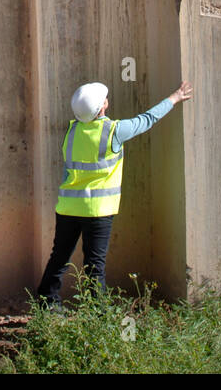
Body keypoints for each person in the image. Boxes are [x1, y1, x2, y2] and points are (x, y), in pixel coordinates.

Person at [34, 78, 192, 307]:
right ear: (102, 107)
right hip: (98, 210)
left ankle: (46, 303)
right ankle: (97, 314)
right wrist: (174, 98)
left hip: (68, 207)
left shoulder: (72, 131)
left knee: (59, 257)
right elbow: (148, 119)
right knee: (94, 264)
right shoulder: (114, 131)